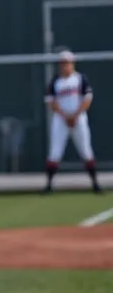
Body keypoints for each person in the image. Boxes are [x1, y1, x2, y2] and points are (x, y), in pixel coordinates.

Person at [44, 49, 101, 194]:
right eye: (62, 63)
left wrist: (75, 115)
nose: (65, 66)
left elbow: (87, 98)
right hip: (61, 119)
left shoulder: (80, 79)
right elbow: (51, 102)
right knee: (55, 152)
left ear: (72, 63)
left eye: (67, 63)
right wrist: (65, 115)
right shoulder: (55, 81)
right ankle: (49, 185)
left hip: (79, 118)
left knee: (86, 150)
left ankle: (95, 184)